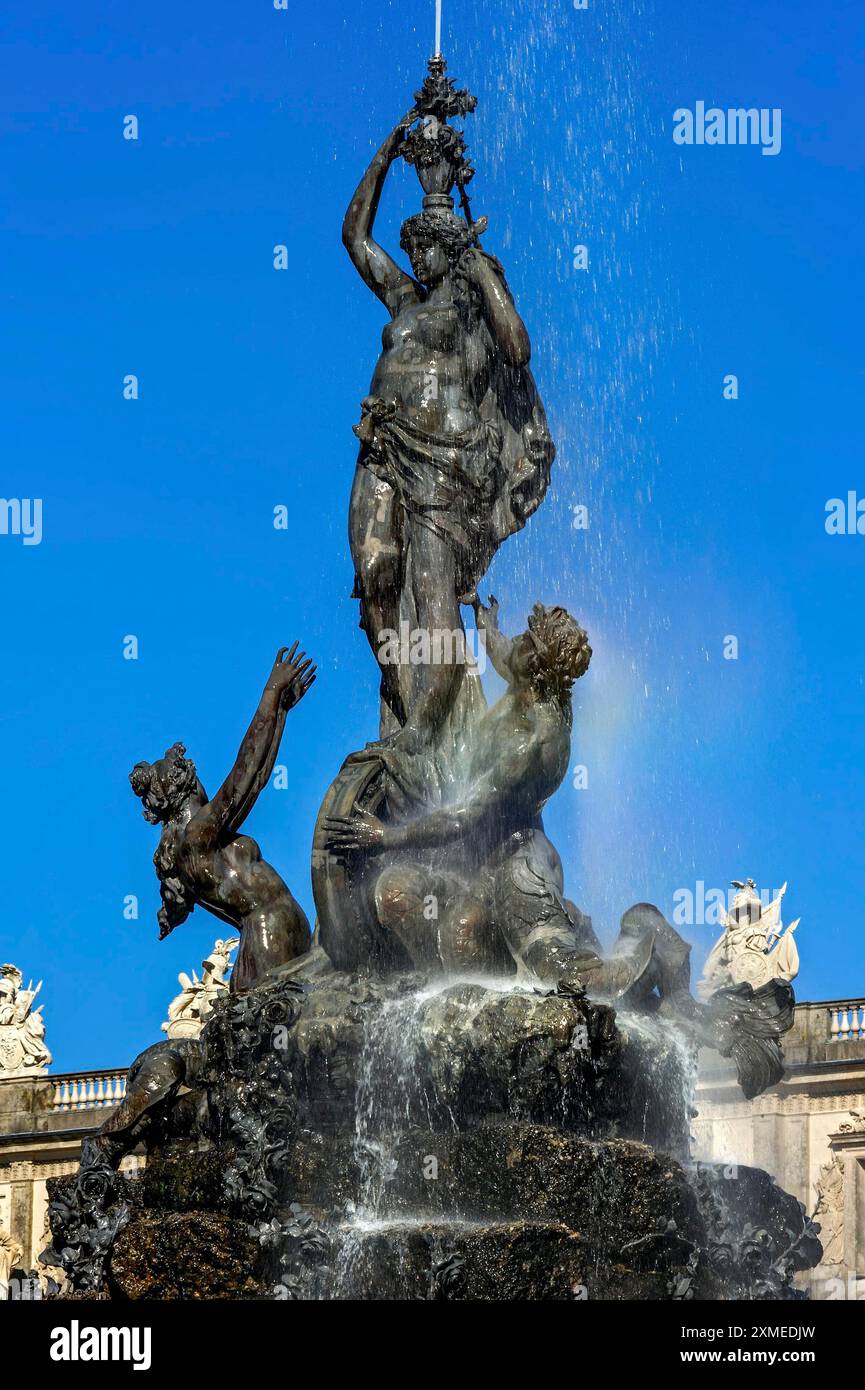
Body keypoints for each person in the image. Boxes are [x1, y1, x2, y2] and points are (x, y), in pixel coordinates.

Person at [343, 114, 554, 745]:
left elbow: (517, 348)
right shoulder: (405, 300)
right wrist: (385, 153)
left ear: (450, 246)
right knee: (375, 569)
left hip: (447, 463)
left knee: (436, 607)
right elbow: (355, 238)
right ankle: (400, 689)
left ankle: (428, 726)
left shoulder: (471, 302)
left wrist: (483, 270)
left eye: (424, 247)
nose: (414, 258)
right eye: (410, 250)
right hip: (384, 445)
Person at [130, 645, 315, 992]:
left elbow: (255, 780)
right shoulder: (197, 834)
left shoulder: (205, 837)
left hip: (278, 929)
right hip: (269, 934)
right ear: (185, 786)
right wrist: (270, 692)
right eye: (194, 776)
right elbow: (242, 777)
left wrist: (282, 712)